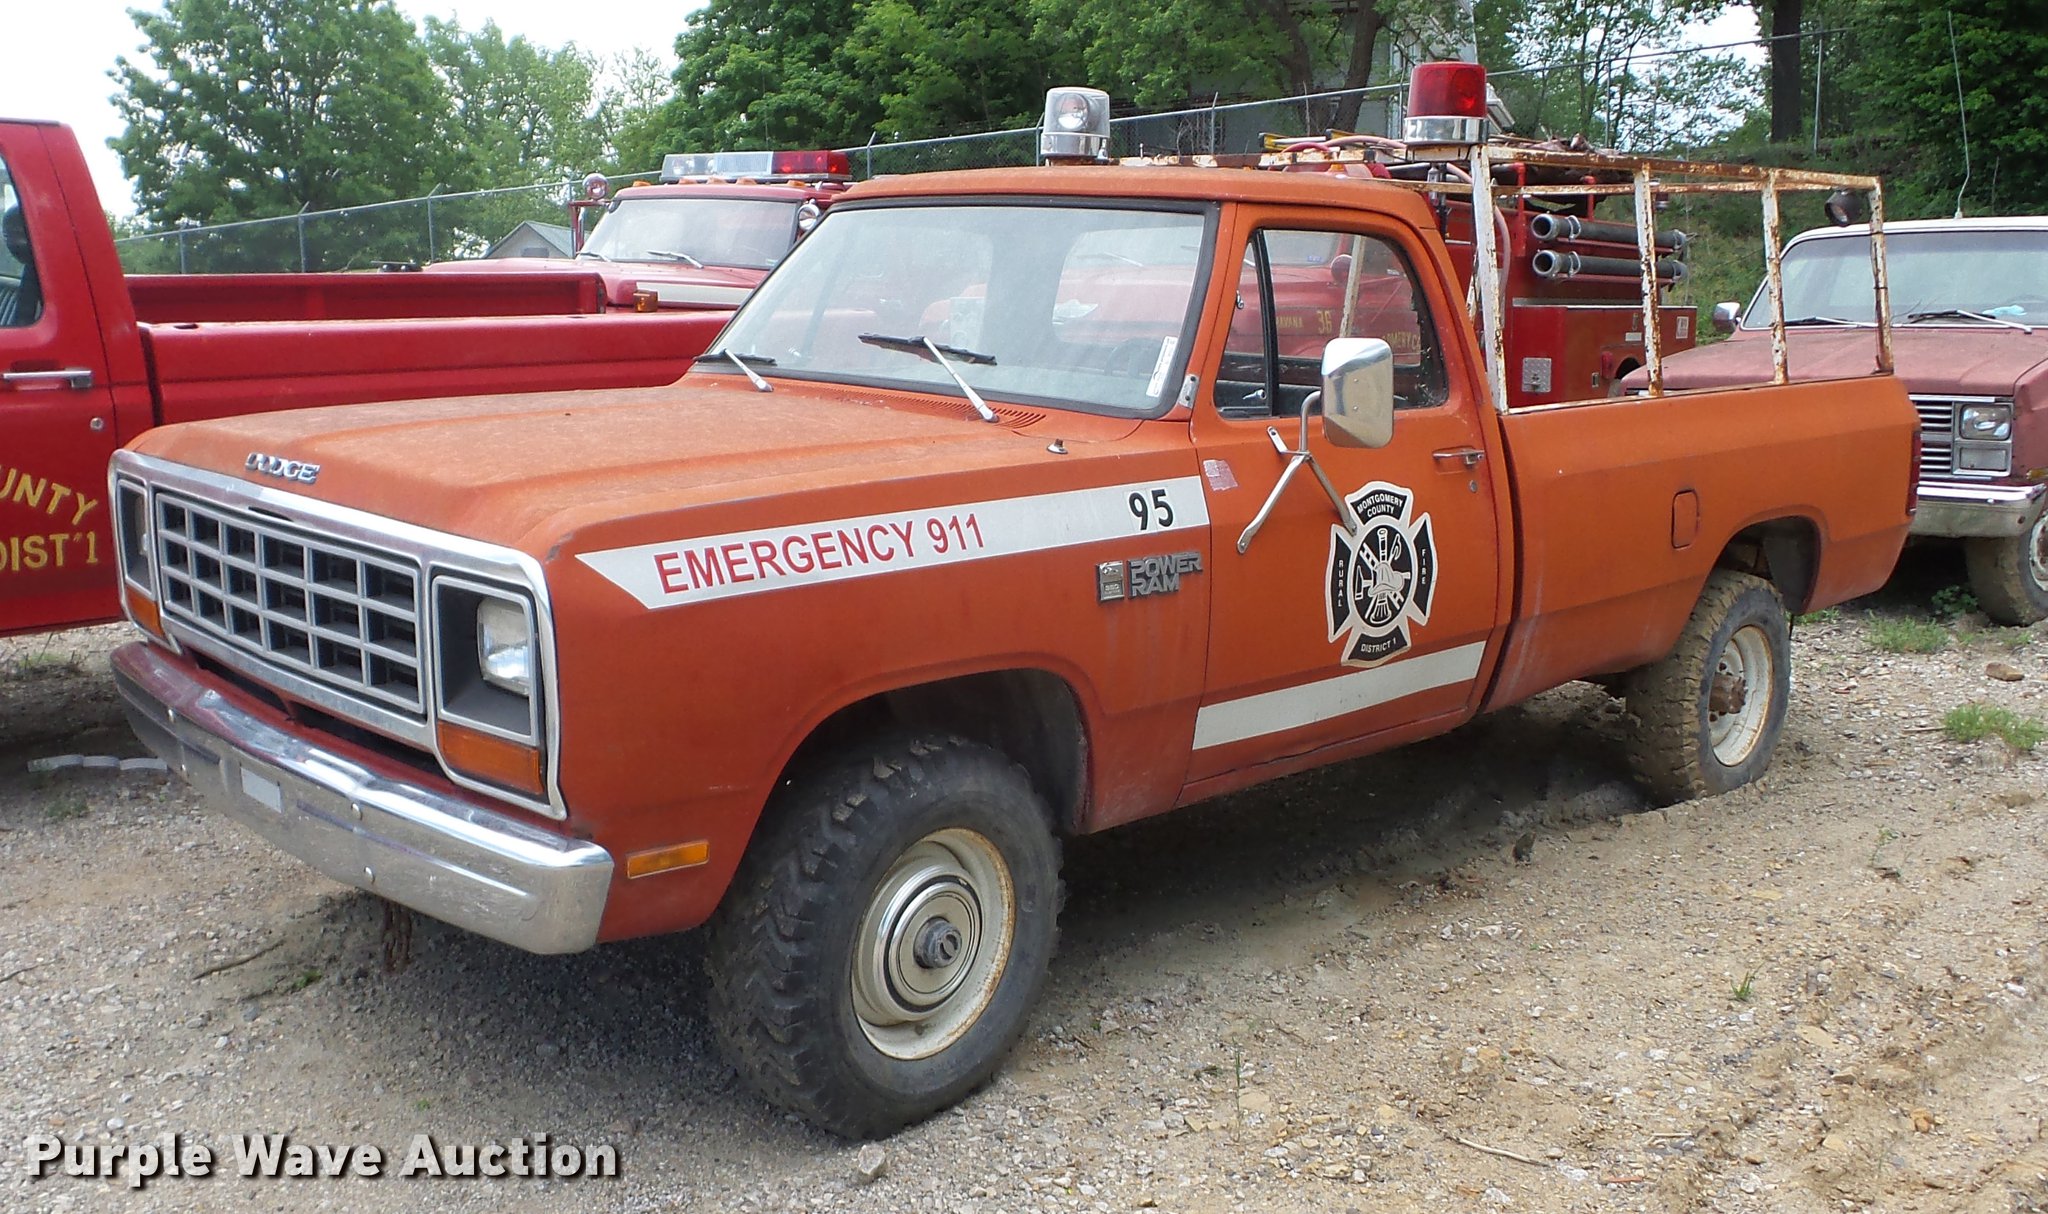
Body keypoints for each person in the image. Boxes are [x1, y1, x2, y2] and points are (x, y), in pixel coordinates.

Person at [0, 203, 42, 327]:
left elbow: (23, 320)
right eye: (7, 235)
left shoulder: (41, 274)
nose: (12, 242)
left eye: (18, 233)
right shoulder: (32, 269)